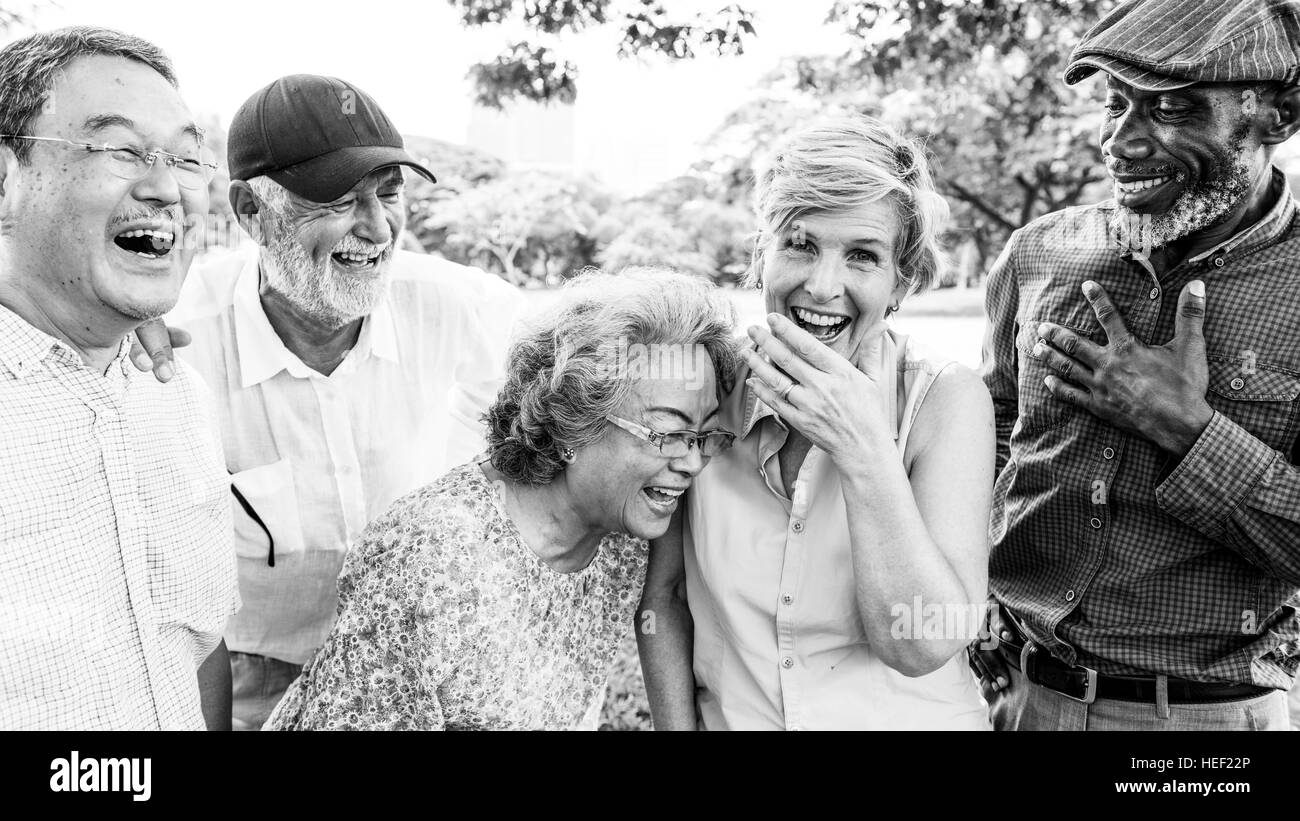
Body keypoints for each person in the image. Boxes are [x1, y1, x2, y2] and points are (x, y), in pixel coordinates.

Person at [134, 74, 524, 730]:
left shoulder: (462, 307)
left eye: (389, 194)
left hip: (426, 662)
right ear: (251, 213)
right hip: (256, 672)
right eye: (339, 200)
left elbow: (575, 382)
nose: (376, 228)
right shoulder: (175, 341)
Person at [969, 0, 1300, 730]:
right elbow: (990, 433)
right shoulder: (1037, 254)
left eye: (1171, 109)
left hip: (1202, 724)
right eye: (1116, 105)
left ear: (1278, 115)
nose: (1123, 140)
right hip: (1021, 697)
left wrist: (1188, 429)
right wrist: (974, 587)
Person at [637, 116, 996, 730]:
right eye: (799, 245)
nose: (822, 285)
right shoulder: (704, 386)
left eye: (862, 256)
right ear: (759, 256)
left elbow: (923, 644)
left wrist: (863, 450)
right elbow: (665, 601)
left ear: (900, 282)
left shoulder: (945, 400)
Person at [263, 267, 739, 730]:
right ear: (574, 421)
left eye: (703, 436)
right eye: (668, 432)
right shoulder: (431, 560)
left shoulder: (628, 530)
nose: (693, 463)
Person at [0, 27, 238, 730]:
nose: (166, 188)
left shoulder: (175, 397)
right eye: (121, 149)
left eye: (188, 159)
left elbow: (196, 647)